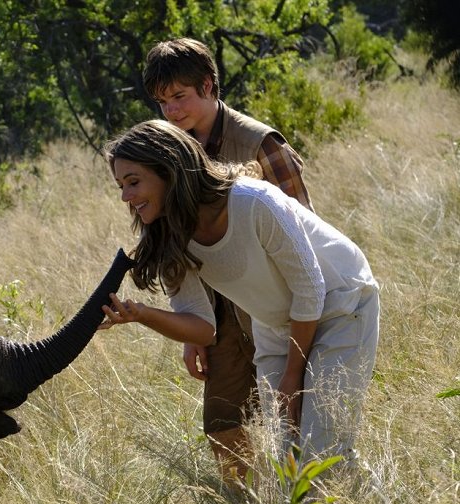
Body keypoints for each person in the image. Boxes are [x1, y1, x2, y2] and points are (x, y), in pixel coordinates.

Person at [98, 119, 379, 473]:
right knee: (292, 462)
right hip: (278, 327)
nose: (126, 196)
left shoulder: (252, 201)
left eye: (134, 182)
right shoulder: (171, 236)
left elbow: (310, 290)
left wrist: (292, 377)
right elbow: (203, 329)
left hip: (341, 305)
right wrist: (141, 314)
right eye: (121, 186)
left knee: (322, 454)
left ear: (168, 169)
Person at [141, 37, 315, 480]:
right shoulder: (168, 149)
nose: (173, 111)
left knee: (295, 423)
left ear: (210, 86)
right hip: (217, 317)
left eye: (180, 96)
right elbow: (173, 241)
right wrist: (190, 329)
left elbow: (306, 239)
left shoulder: (259, 143)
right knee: (225, 428)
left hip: (274, 308)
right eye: (163, 102)